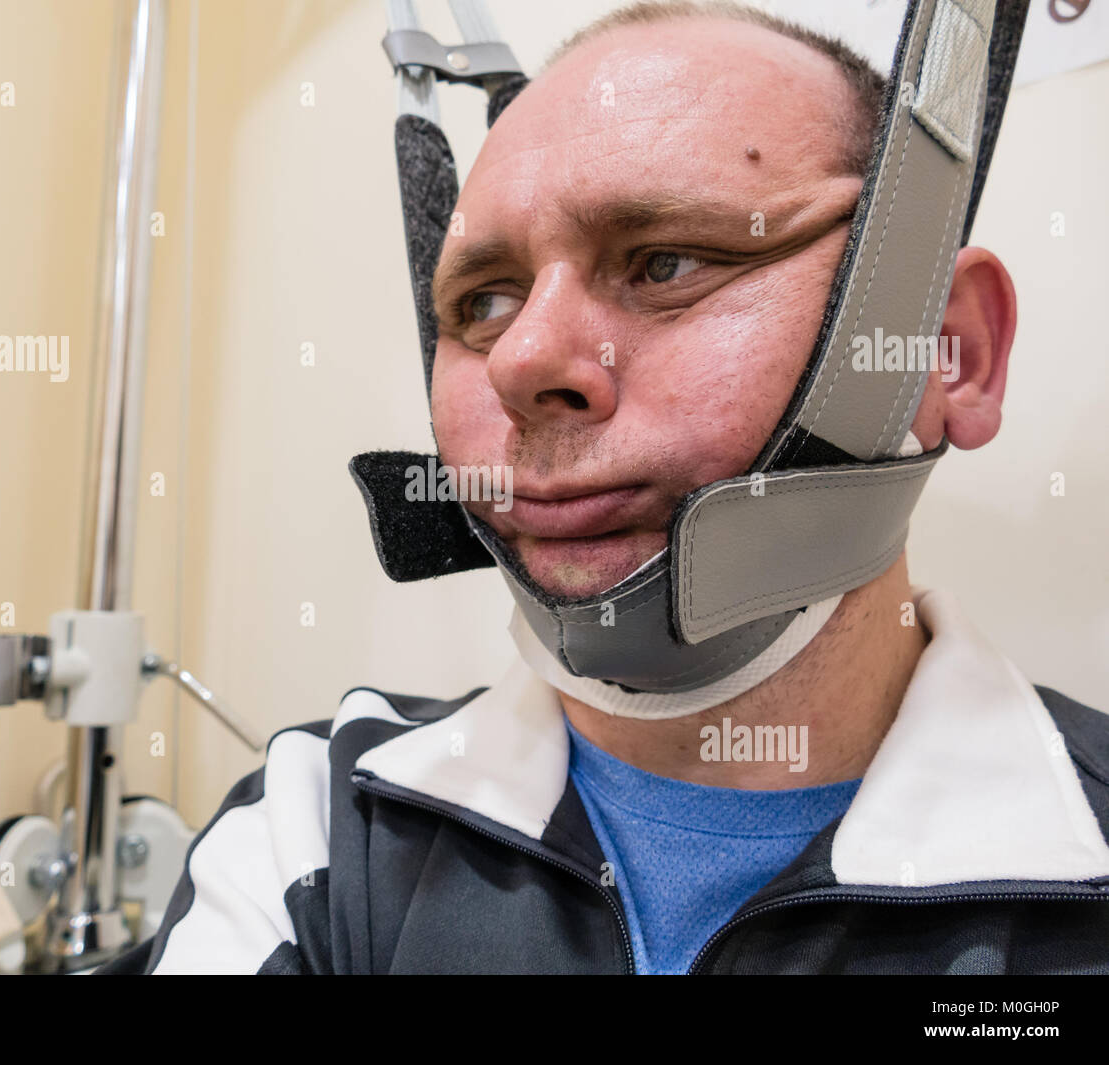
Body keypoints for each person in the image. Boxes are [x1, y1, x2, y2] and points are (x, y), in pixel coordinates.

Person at [97, 0, 1109, 975]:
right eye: (482, 302)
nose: (521, 360)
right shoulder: (311, 835)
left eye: (667, 262)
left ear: (950, 350)